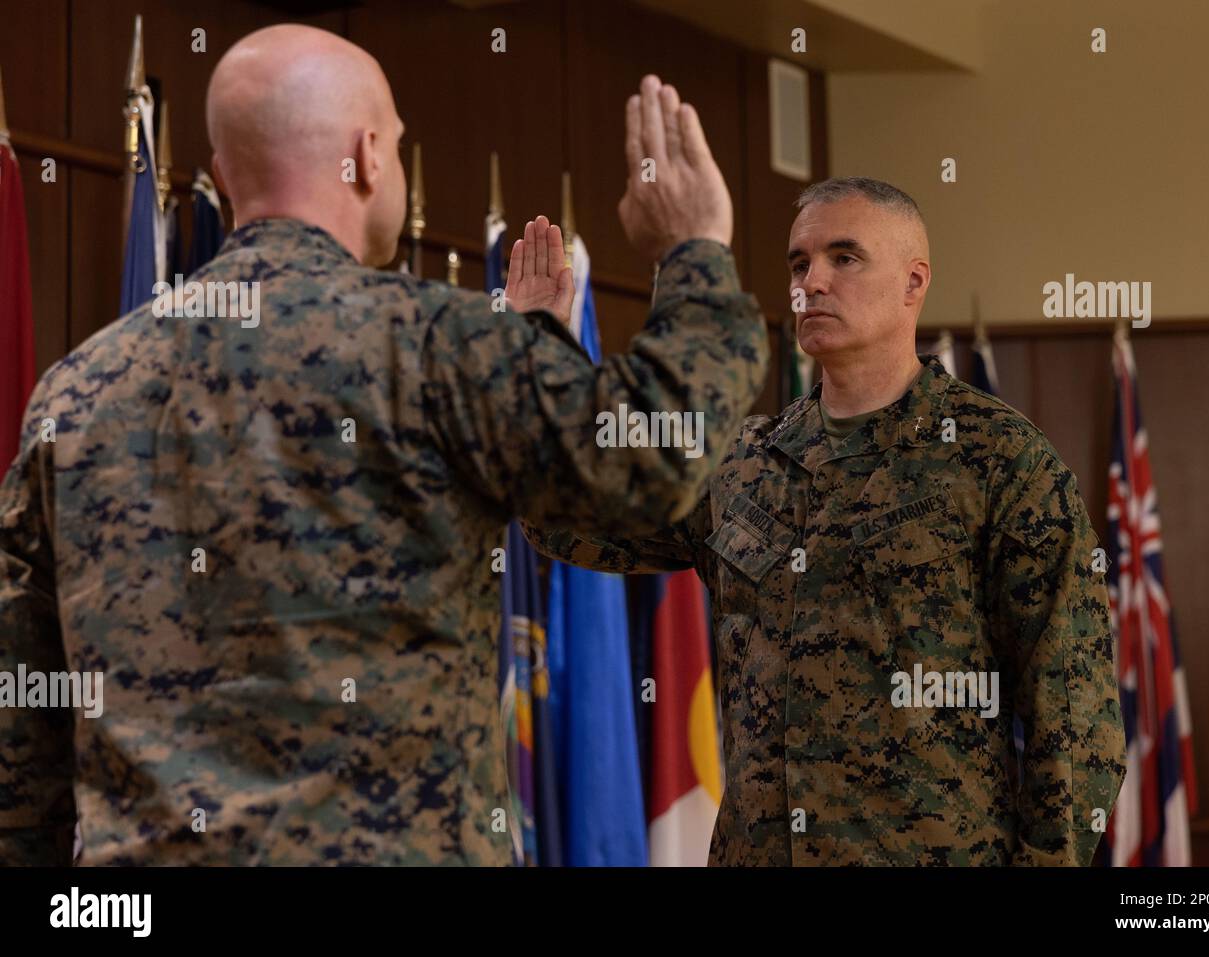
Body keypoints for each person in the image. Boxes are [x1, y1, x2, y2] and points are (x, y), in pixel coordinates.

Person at [0, 25, 767, 865]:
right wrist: (694, 251)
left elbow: (22, 731)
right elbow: (658, 462)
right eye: (396, 146)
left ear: (222, 176)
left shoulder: (72, 393)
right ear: (367, 157)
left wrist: (531, 369)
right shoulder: (439, 346)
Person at [521, 177, 1127, 866]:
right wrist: (537, 353)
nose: (813, 281)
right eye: (799, 263)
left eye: (845, 258)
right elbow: (573, 515)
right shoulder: (741, 461)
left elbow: (1073, 718)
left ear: (913, 283)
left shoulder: (1001, 462)